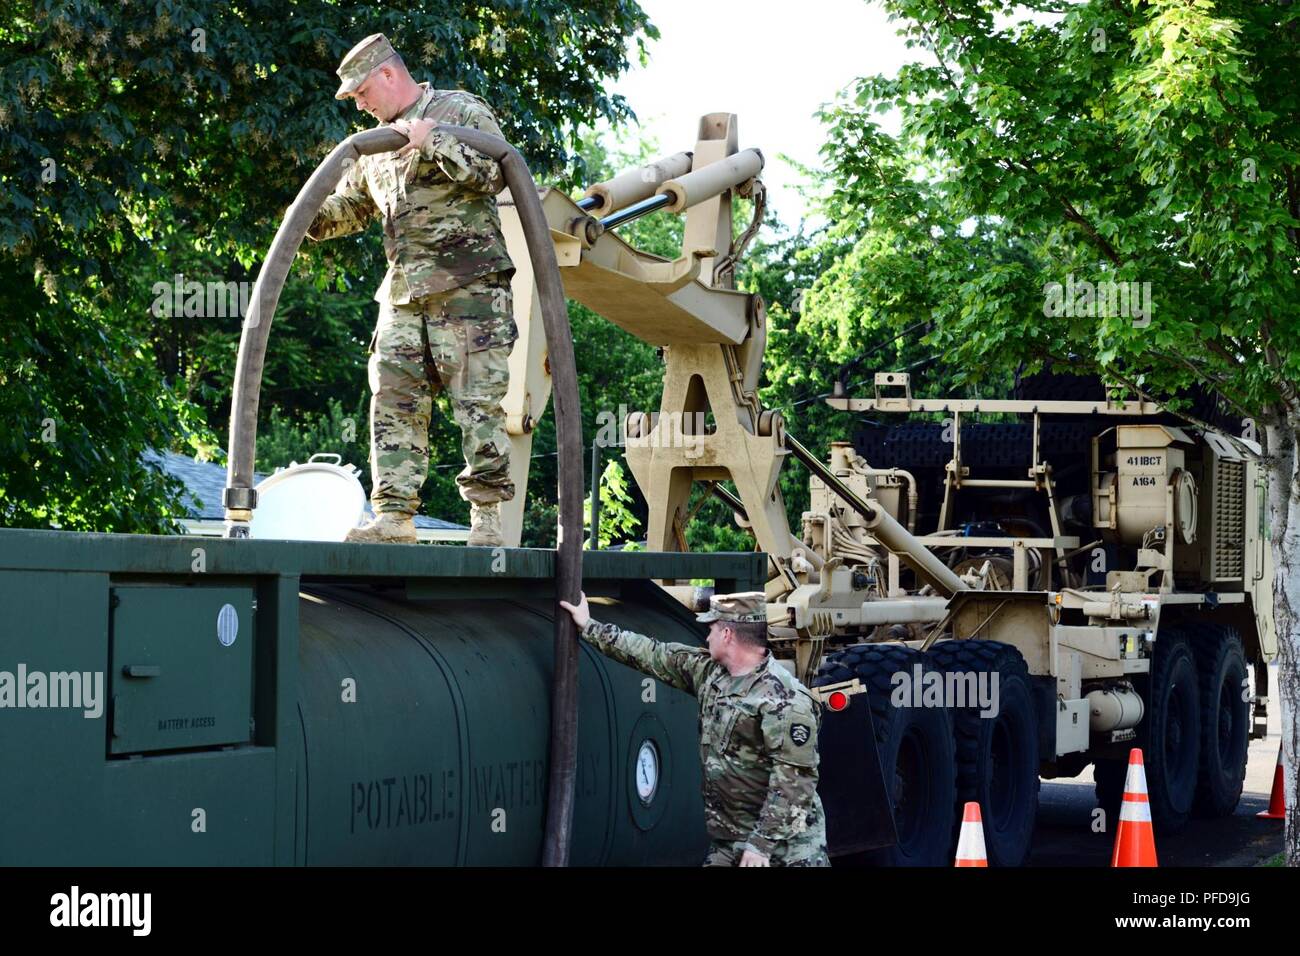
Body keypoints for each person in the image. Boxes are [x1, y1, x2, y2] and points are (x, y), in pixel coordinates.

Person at [308, 33, 516, 546]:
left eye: (360, 91)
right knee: (393, 402)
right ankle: (394, 518)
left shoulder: (458, 109)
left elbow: (495, 173)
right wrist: (307, 214)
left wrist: (434, 140)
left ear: (387, 74)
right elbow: (348, 210)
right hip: (402, 293)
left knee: (476, 403)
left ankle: (486, 521)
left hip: (469, 288)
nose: (359, 102)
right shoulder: (373, 148)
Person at [558, 590, 830, 867]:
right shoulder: (710, 673)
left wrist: (761, 845)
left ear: (727, 634)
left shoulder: (784, 700)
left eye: (711, 628)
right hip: (730, 841)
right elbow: (654, 654)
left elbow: (795, 782)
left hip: (785, 850)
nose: (707, 636)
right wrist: (589, 626)